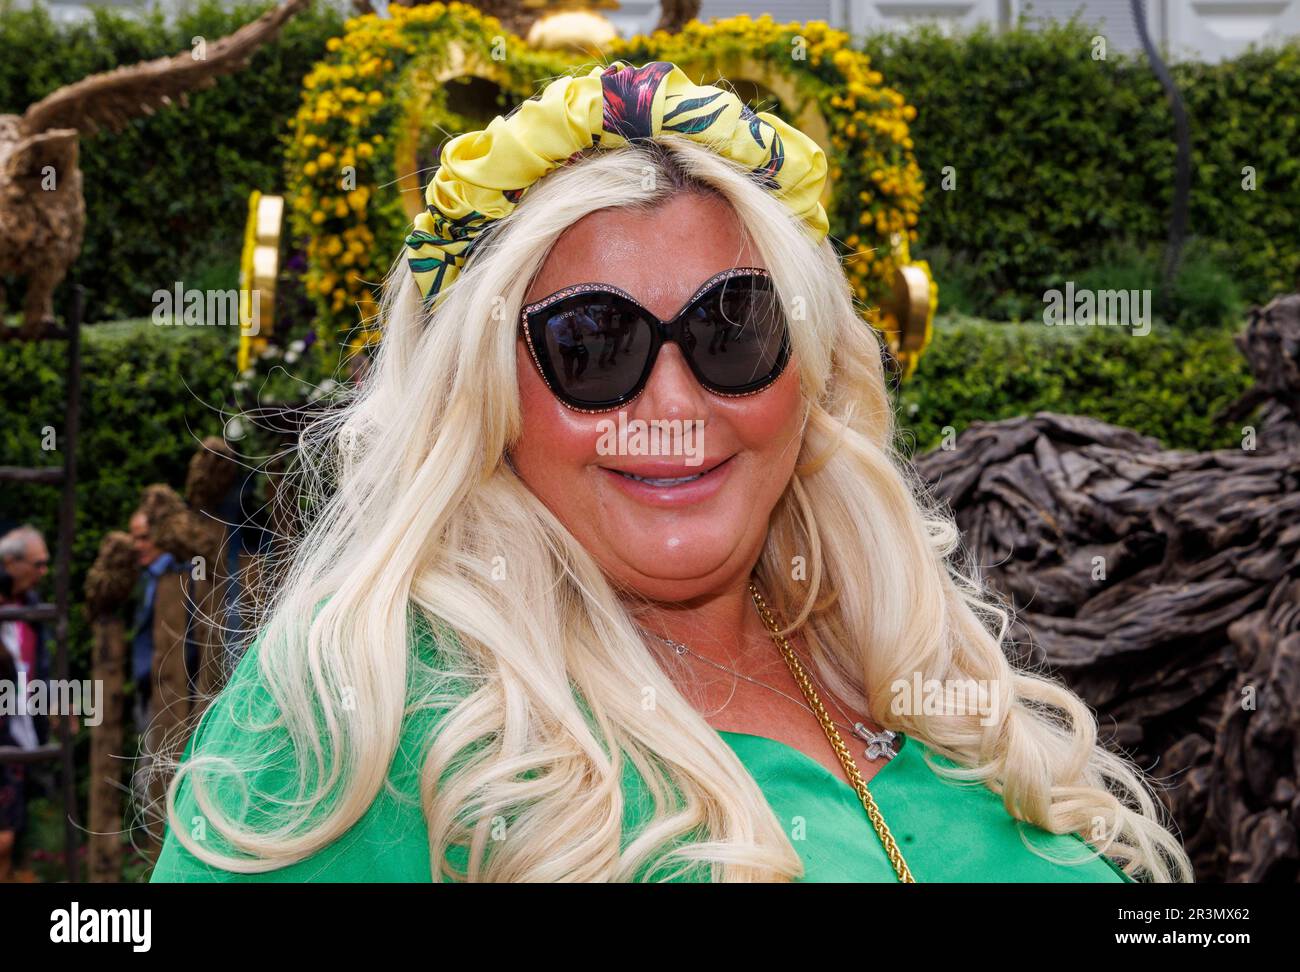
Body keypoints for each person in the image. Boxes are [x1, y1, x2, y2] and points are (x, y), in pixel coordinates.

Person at [151, 61, 1191, 883]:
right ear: (486, 394)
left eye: (731, 330)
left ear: (807, 372)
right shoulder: (366, 711)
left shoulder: (909, 660)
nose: (675, 407)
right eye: (592, 344)